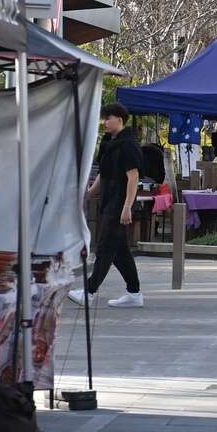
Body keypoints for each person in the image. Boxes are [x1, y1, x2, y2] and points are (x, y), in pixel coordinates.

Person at [70, 104, 143, 309]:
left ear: (119, 119)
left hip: (120, 203)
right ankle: (134, 292)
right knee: (120, 252)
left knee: (104, 248)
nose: (104, 123)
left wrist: (128, 206)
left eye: (108, 118)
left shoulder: (129, 144)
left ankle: (89, 291)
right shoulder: (108, 142)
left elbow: (133, 176)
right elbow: (103, 173)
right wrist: (87, 195)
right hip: (107, 201)